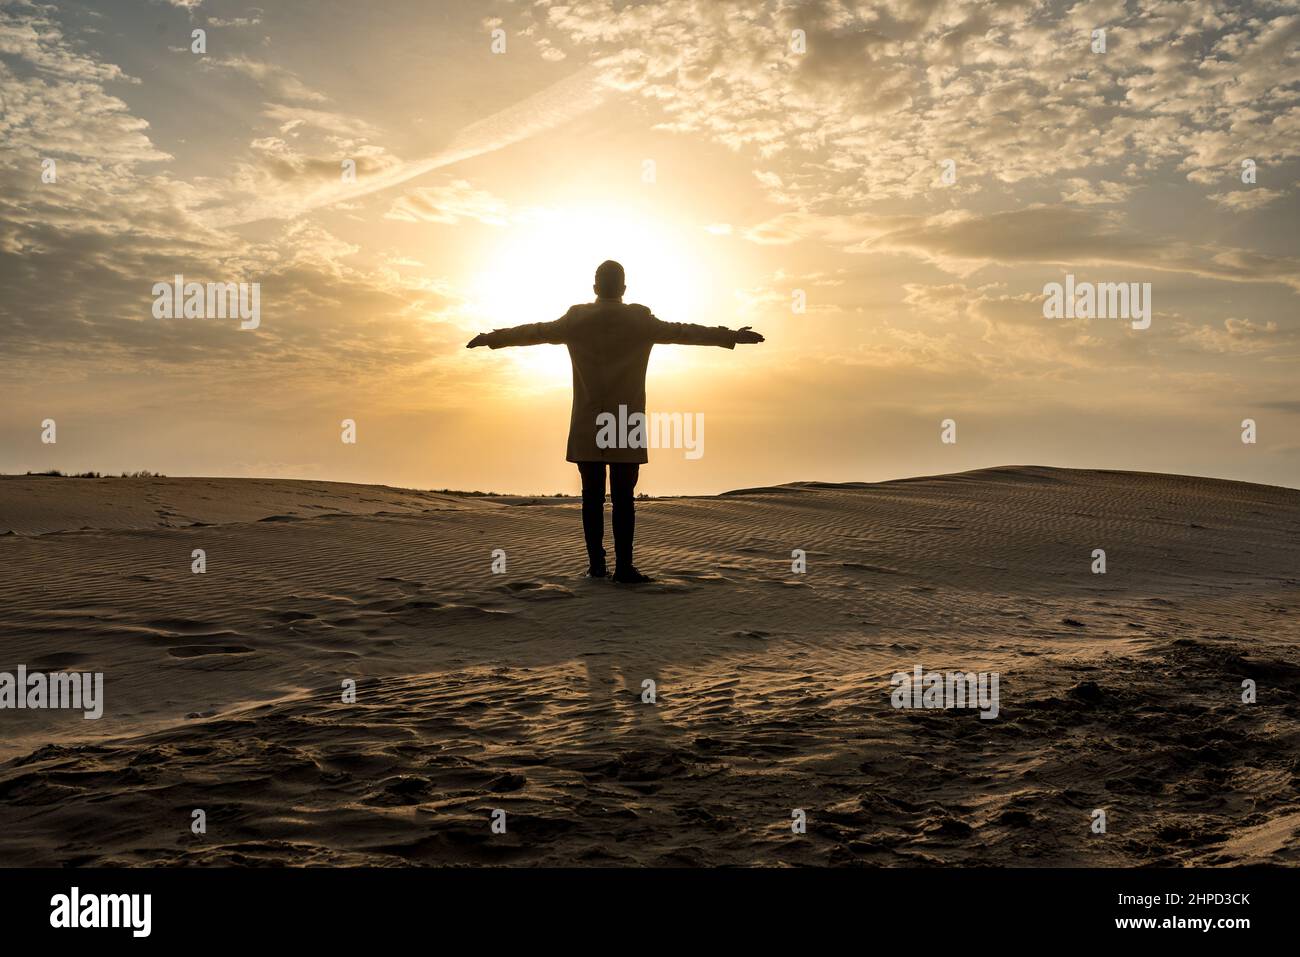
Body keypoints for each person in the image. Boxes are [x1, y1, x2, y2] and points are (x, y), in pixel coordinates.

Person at [467, 259, 765, 583]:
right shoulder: (640, 319)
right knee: (624, 498)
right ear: (624, 289)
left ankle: (596, 565)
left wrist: (492, 338)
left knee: (591, 496)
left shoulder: (576, 318)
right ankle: (624, 567)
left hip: (588, 419)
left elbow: (535, 332)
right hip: (625, 421)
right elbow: (685, 332)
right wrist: (730, 335)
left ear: (595, 288)